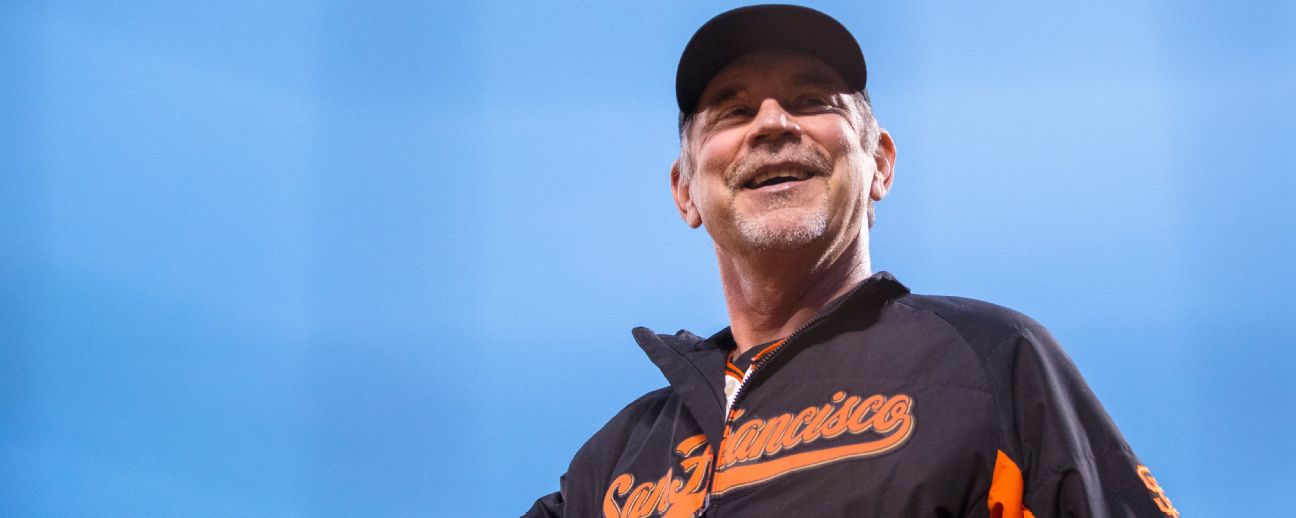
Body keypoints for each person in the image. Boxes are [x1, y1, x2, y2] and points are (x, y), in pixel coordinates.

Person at [526, 5, 1177, 517]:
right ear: (685, 191)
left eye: (814, 101)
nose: (773, 123)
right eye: (733, 110)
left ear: (880, 164)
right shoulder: (612, 466)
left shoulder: (991, 362)